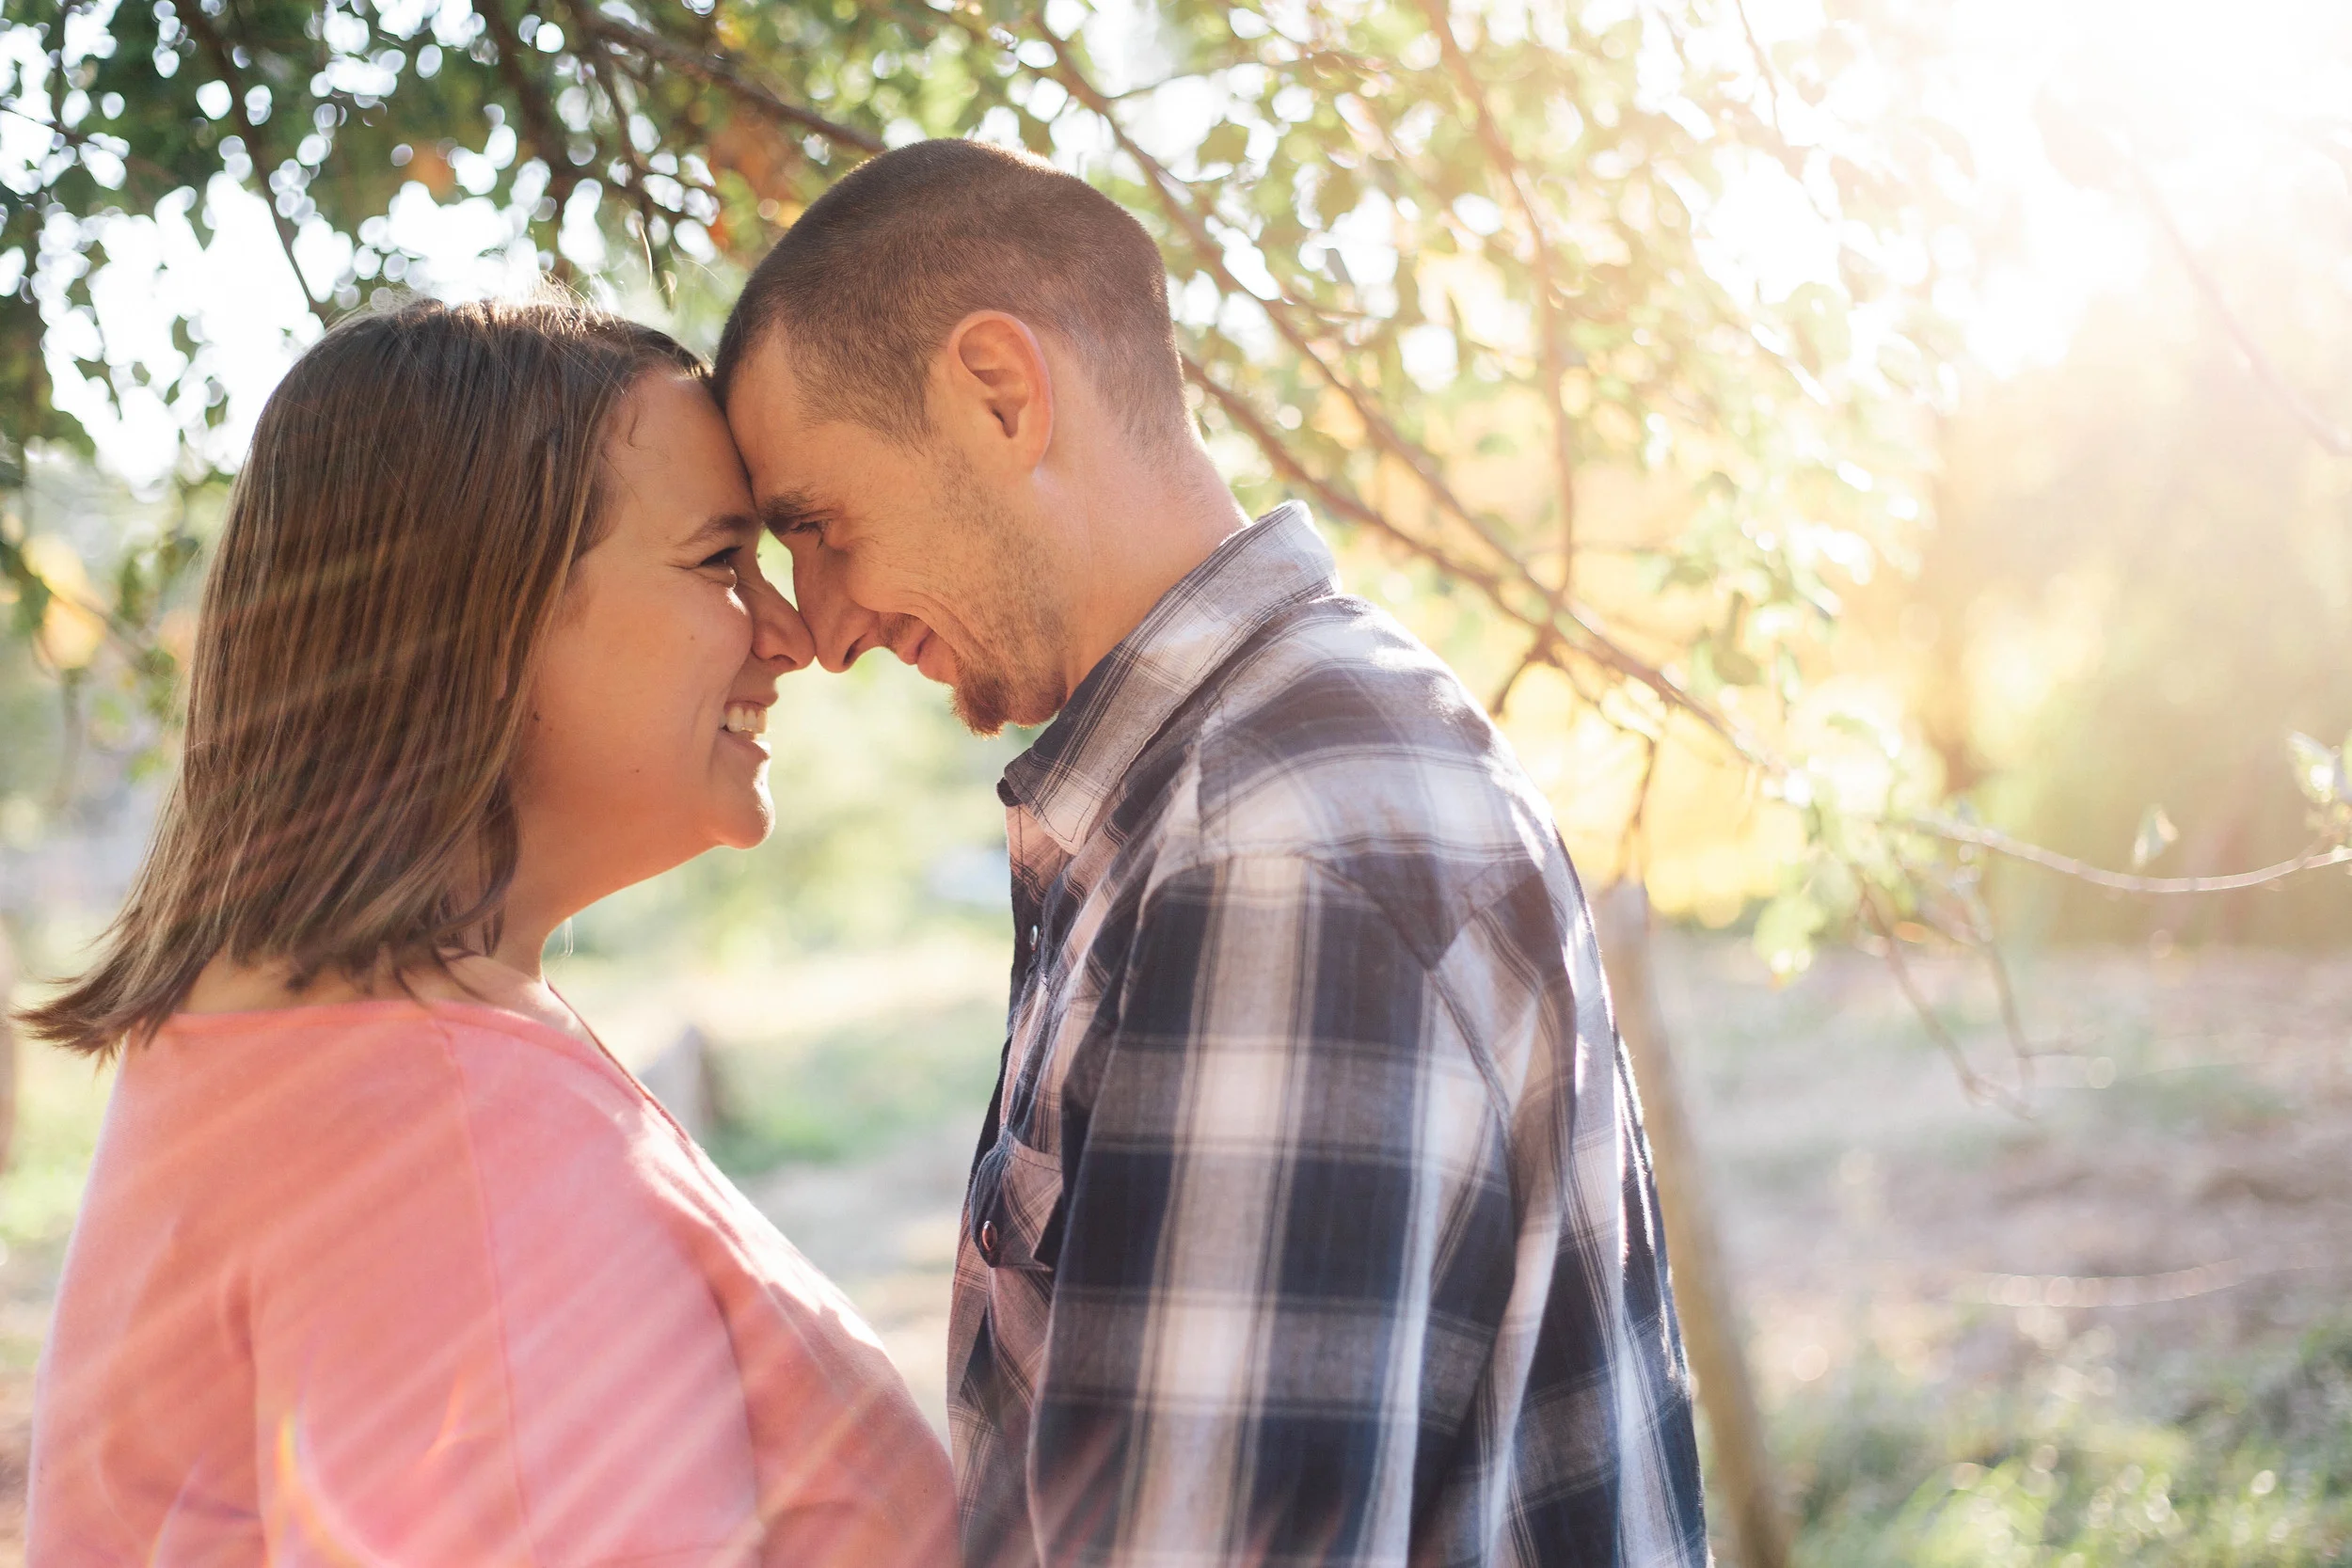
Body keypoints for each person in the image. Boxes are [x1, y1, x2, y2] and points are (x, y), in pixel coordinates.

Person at [715, 139, 1709, 1566]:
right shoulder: (1217, 790)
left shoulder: (1274, 840)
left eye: (817, 525)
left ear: (1000, 394)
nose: (818, 625)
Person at [16, 298, 956, 1564]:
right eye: (715, 559)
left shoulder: (288, 1052)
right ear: (485, 617)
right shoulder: (441, 1135)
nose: (788, 633)